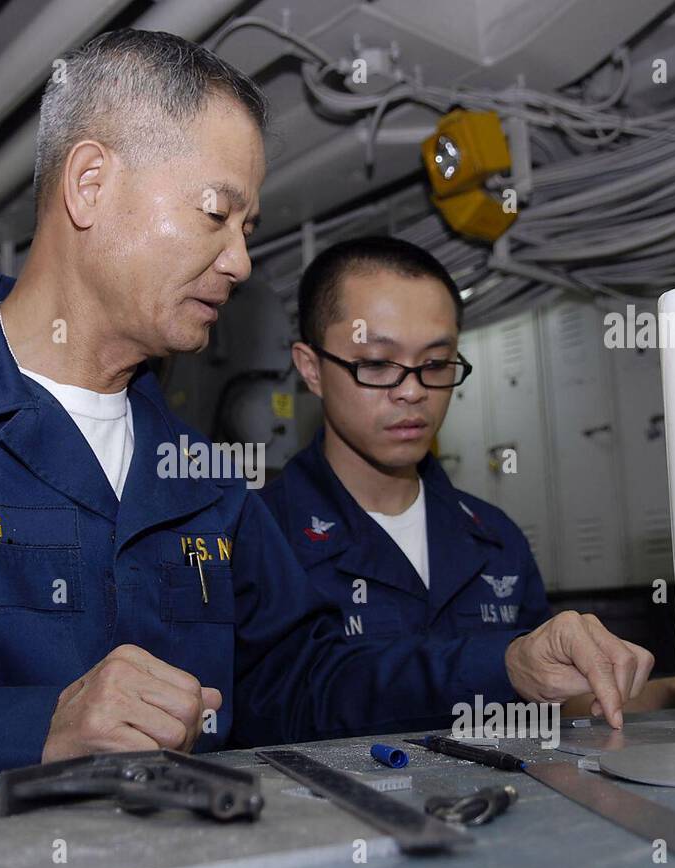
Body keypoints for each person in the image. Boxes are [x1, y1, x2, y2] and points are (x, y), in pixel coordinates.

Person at [0, 30, 651, 786]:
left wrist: (503, 664)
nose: (242, 259)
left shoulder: (202, 481)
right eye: (218, 212)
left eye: (249, 224)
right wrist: (32, 726)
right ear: (90, 182)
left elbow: (299, 682)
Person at [262, 236, 655, 719]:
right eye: (378, 364)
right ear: (312, 369)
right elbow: (284, 701)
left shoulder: (495, 540)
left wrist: (659, 689)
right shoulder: (258, 534)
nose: (411, 392)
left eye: (434, 364)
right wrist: (501, 664)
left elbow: (549, 713)